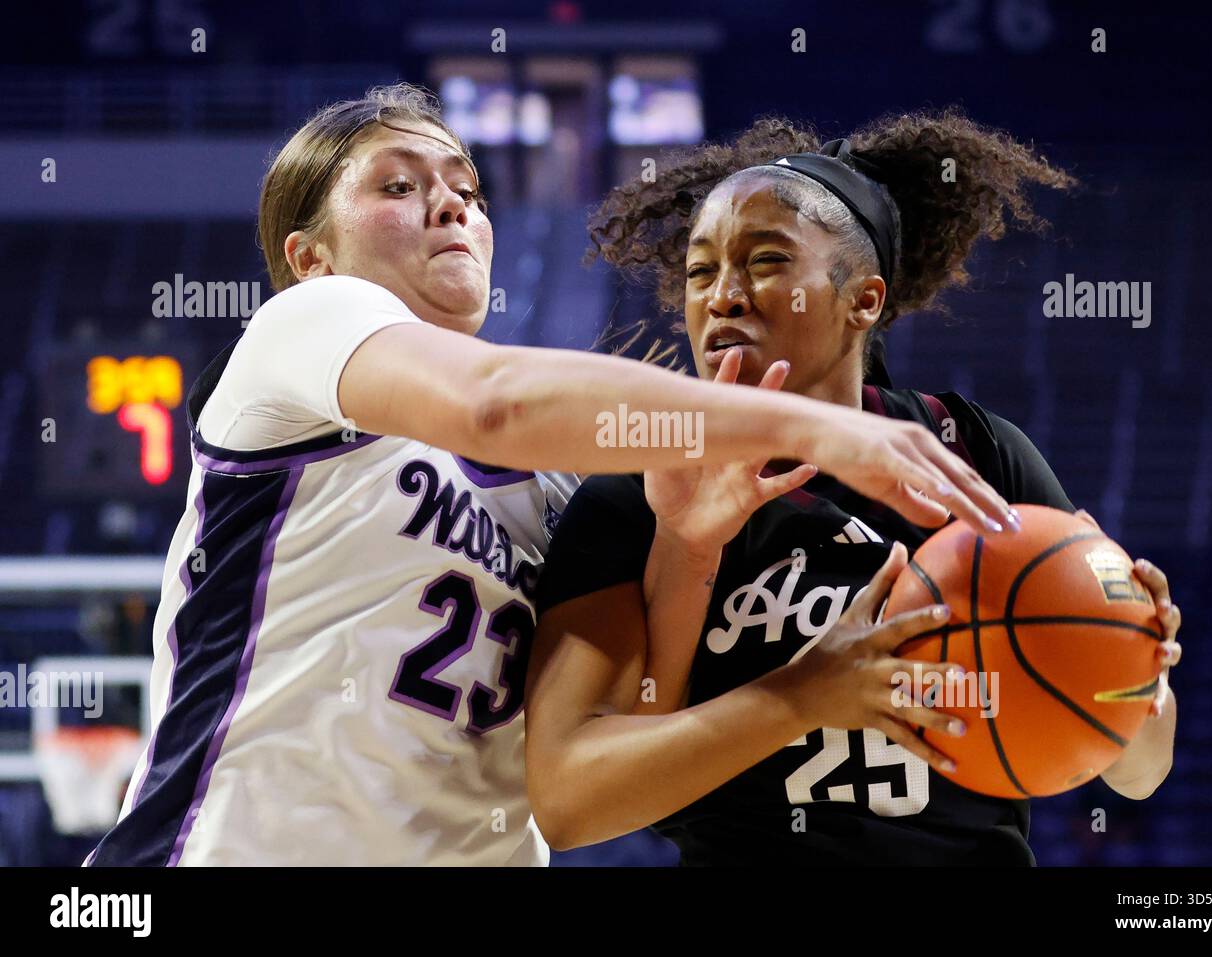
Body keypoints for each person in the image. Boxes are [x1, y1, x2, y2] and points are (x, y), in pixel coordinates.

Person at [87, 87, 1010, 867]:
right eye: (400, 186)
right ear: (309, 256)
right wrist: (820, 423)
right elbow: (493, 400)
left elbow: (624, 736)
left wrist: (684, 549)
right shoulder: (302, 329)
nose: (451, 206)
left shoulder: (558, 492)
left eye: (467, 189)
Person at [526, 111, 1182, 865]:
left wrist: (1135, 665)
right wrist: (801, 691)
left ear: (862, 301)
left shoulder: (971, 450)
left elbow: (1140, 767)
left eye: (765, 260)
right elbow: (570, 801)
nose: (723, 295)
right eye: (701, 272)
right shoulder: (638, 485)